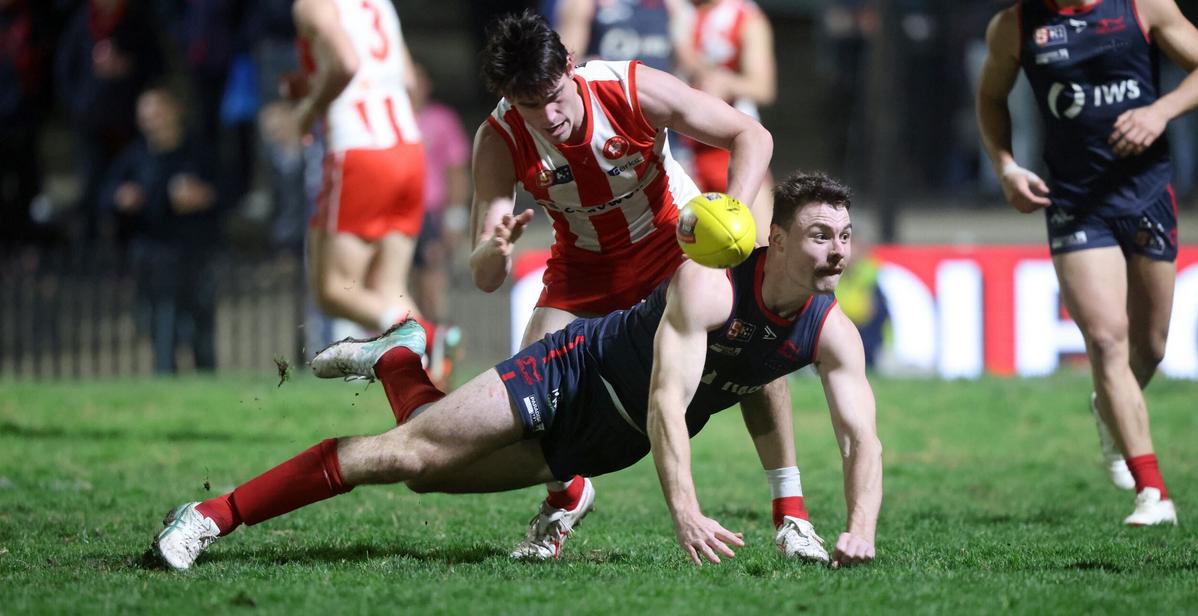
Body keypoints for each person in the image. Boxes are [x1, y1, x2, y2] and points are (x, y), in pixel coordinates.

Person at [151, 171, 882, 572]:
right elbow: (667, 403)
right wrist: (685, 512)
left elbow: (861, 441)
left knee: (427, 467)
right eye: (821, 234)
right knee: (402, 453)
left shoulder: (829, 330)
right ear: (776, 240)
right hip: (571, 374)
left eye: (846, 235)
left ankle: (402, 352)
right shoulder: (710, 286)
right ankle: (211, 517)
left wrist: (860, 529)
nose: (839, 250)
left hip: (606, 445)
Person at [468, 11, 773, 558]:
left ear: (570, 66)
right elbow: (485, 277)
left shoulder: (629, 88)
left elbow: (751, 134)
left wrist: (735, 212)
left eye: (554, 95)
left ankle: (790, 512)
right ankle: (566, 498)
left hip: (671, 246)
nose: (548, 115)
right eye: (529, 105)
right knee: (529, 399)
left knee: (756, 345)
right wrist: (494, 251)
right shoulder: (497, 138)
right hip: (583, 266)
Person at [976, 0, 1198, 525]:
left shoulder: (1143, 7)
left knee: (1152, 346)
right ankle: (1153, 492)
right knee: (1104, 340)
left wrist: (1159, 111)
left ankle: (1107, 408)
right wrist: (1006, 166)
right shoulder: (1016, 24)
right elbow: (990, 96)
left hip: (1145, 195)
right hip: (1074, 202)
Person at [292, 0, 428, 336]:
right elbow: (410, 81)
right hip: (408, 147)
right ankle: (429, 377)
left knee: (333, 291)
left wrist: (308, 112)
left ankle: (424, 336)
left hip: (359, 149)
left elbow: (345, 63)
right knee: (389, 287)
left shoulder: (313, 5)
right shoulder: (380, 4)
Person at [102, 88, 224, 373]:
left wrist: (205, 196)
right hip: (151, 254)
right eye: (145, 115)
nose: (152, 121)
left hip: (195, 252)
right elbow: (105, 194)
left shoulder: (200, 152)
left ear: (175, 112)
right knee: (159, 327)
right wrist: (122, 197)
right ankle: (165, 381)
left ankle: (207, 385)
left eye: (158, 112)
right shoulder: (134, 157)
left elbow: (228, 192)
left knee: (201, 329)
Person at [677, 0, 776, 239]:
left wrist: (726, 82)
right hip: (675, 148)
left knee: (762, 244)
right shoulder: (667, 9)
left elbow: (764, 87)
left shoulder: (746, 17)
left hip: (726, 147)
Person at [409, 61, 471, 388]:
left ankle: (443, 366)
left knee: (433, 295)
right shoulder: (391, 119)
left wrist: (454, 218)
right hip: (397, 216)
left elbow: (456, 170)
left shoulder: (441, 120)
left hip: (428, 216)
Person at [555, 0, 690, 75]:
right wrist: (590, 66)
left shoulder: (671, 4)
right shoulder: (583, 4)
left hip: (658, 103)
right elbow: (563, 64)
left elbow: (688, 61)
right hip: (610, 103)